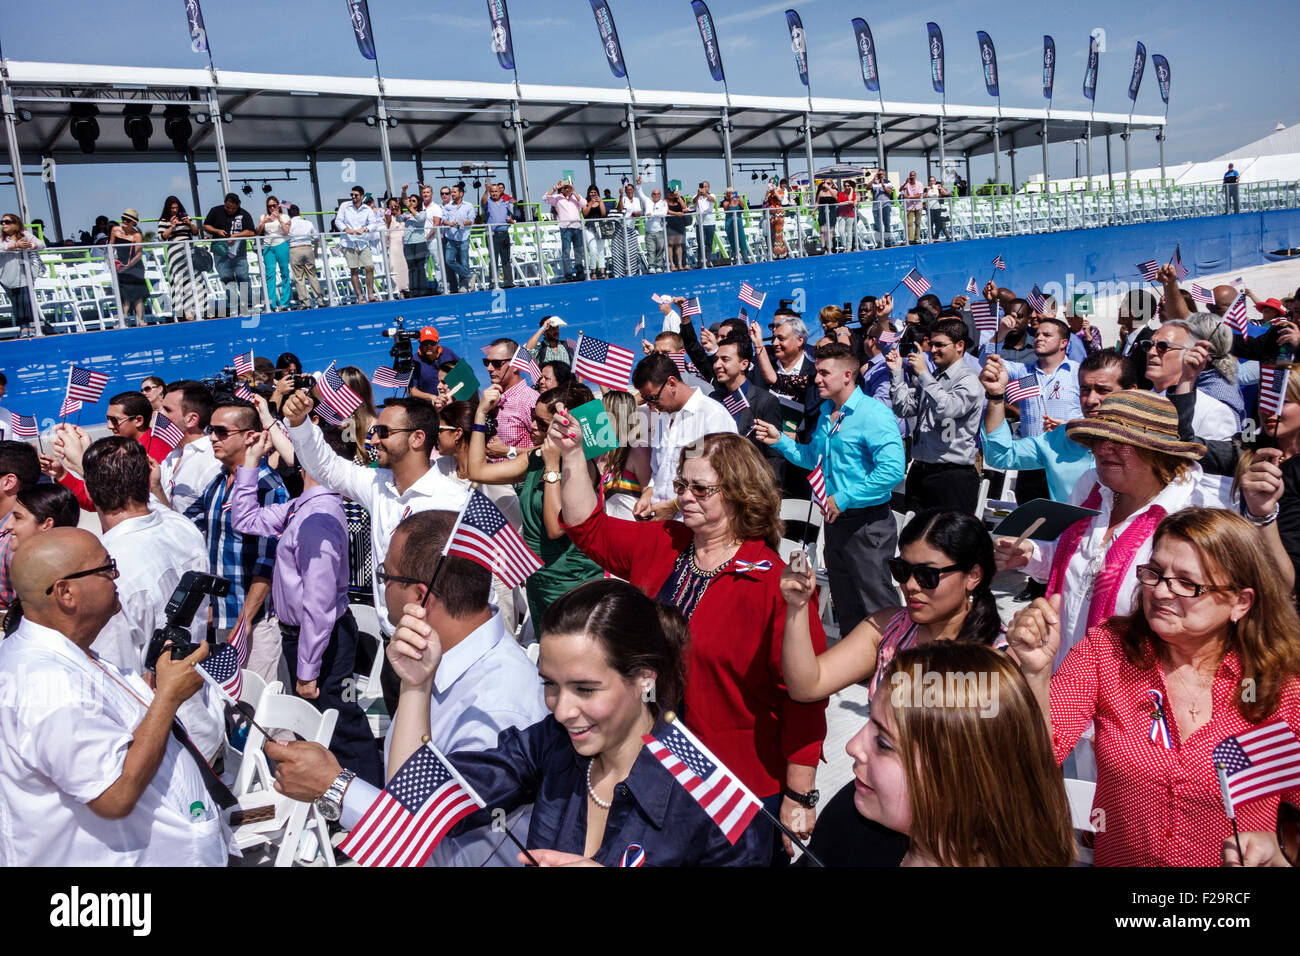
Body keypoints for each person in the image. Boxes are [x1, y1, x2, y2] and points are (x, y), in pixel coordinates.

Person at [270, 577, 769, 866]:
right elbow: (429, 802)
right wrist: (417, 687)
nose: (561, 708)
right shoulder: (549, 745)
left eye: (585, 689)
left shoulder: (715, 802)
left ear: (643, 680)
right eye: (550, 683)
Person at [554, 427, 826, 862]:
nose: (686, 497)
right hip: (649, 767)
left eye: (701, 488)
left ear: (739, 494)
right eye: (681, 485)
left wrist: (799, 794)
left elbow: (805, 698)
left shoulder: (776, 584)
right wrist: (570, 455)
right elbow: (590, 530)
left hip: (734, 787)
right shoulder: (665, 541)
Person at [1010, 507, 1300, 866]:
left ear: (1240, 602)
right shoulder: (1108, 648)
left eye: (1187, 583)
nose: (1162, 591)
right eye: (1155, 573)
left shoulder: (1283, 685)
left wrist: (1279, 847)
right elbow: (1034, 755)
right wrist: (1035, 674)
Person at [0, 528, 231, 866]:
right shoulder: (47, 685)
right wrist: (167, 698)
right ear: (66, 592)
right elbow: (114, 795)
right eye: (106, 569)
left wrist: (150, 691)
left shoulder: (60, 656)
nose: (117, 575)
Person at [825, 643, 1074, 866]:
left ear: (962, 776)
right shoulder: (853, 818)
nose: (852, 745)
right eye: (869, 721)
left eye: (884, 743)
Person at [229, 426, 382, 786]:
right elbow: (245, 520)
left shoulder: (319, 517)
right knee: (327, 723)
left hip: (320, 639)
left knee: (339, 724)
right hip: (308, 635)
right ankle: (344, 797)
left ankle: (369, 803)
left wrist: (308, 667)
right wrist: (250, 462)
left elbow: (320, 602)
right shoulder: (306, 506)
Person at [76, 438, 226, 760]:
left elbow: (113, 672)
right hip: (203, 717)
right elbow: (148, 504)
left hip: (157, 740)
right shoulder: (182, 527)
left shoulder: (108, 569)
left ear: (89, 493)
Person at [282, 390, 468, 640]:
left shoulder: (455, 501)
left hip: (439, 645)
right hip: (391, 641)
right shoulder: (377, 484)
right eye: (373, 432)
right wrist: (299, 423)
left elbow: (474, 588)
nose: (373, 441)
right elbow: (326, 466)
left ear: (417, 438)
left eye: (383, 432)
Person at [758, 342, 905, 632]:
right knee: (846, 603)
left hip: (868, 524)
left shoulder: (874, 414)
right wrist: (780, 441)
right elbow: (813, 458)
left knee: (877, 604)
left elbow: (892, 471)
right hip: (836, 522)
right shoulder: (827, 413)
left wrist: (844, 498)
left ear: (848, 375)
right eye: (816, 372)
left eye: (824, 373)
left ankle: (894, 667)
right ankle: (857, 668)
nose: (816, 379)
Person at [467, 384, 604, 628]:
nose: (532, 426)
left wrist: (552, 469)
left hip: (571, 584)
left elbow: (555, 528)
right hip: (538, 580)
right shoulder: (535, 458)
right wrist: (480, 415)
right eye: (532, 417)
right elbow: (476, 470)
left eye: (541, 423)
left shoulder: (582, 465)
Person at [188, 401, 289, 684]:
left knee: (265, 715)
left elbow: (268, 561)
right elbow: (184, 529)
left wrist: (244, 622)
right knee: (234, 711)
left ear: (250, 437)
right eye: (211, 430)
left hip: (254, 623)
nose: (211, 437)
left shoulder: (266, 486)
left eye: (221, 431)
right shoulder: (217, 483)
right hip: (223, 618)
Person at [982, 350, 1137, 503]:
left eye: (1103, 390)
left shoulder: (1148, 444)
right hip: (1070, 527)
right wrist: (995, 395)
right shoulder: (1058, 440)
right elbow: (1001, 455)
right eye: (1085, 390)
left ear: (1130, 392)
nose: (1091, 400)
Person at [888, 317, 983, 513]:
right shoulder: (935, 377)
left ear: (960, 346)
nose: (933, 350)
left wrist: (923, 374)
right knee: (914, 536)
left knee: (947, 540)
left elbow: (947, 409)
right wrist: (897, 373)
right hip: (921, 470)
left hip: (952, 475)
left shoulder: (969, 379)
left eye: (940, 345)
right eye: (931, 344)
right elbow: (903, 409)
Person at [630, 352, 737, 519]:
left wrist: (674, 506)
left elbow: (724, 478)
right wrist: (649, 492)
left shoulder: (713, 415)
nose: (650, 406)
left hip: (698, 526)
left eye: (653, 398)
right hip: (663, 523)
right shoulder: (663, 418)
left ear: (672, 383)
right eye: (646, 400)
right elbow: (659, 470)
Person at [1144, 320, 1238, 441]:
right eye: (1148, 345)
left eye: (1162, 346)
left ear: (1191, 353)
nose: (1151, 352)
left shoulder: (1212, 412)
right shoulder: (1137, 400)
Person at [708, 337, 785, 484]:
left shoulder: (765, 401)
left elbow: (775, 456)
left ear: (744, 364)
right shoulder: (713, 399)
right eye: (716, 359)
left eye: (725, 359)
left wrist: (770, 495)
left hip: (750, 488)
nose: (717, 365)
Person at [155, 380, 222, 517]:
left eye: (167, 410)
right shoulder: (171, 455)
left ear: (191, 419)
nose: (159, 414)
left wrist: (156, 488)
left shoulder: (213, 460)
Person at [481, 338, 540, 461]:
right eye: (487, 362)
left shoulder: (530, 400)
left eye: (496, 363)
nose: (489, 368)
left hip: (519, 478)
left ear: (516, 365)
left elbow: (550, 447)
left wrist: (509, 451)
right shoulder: (492, 398)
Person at [202, 192, 256, 316]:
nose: (229, 210)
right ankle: (233, 307)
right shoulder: (215, 211)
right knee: (227, 279)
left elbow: (251, 232)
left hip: (239, 253)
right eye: (227, 207)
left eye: (232, 208)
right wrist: (217, 231)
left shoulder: (244, 214)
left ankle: (247, 306)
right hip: (220, 253)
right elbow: (206, 226)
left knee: (243, 278)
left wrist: (235, 235)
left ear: (238, 205)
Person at [596, 389, 645, 521]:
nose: (597, 418)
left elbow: (651, 497)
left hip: (635, 534)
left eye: (602, 413)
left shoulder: (637, 450)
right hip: (609, 535)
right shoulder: (603, 454)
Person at [157, 196, 205, 321]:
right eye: (172, 208)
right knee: (179, 281)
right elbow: (162, 238)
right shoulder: (163, 220)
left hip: (190, 251)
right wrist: (171, 226)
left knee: (194, 279)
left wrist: (189, 223)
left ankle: (195, 309)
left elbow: (195, 232)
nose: (174, 210)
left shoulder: (185, 218)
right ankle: (181, 311)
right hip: (175, 253)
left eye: (176, 207)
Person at [0, 212, 47, 335]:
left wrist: (30, 245)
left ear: (16, 224)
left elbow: (42, 245)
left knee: (26, 300)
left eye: (7, 222)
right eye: (2, 222)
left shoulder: (25, 235)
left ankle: (32, 327)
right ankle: (23, 327)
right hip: (7, 275)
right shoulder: (1, 238)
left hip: (24, 274)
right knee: (16, 302)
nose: (3, 224)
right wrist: (15, 245)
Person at [334, 186, 380, 303]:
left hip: (362, 241)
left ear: (362, 196)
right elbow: (338, 220)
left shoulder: (367, 209)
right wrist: (346, 229)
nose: (353, 197)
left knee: (369, 267)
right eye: (352, 195)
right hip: (348, 242)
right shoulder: (345, 206)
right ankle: (359, 296)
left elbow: (373, 224)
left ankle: (370, 294)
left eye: (356, 195)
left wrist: (364, 229)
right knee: (354, 269)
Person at [109, 209, 148, 328]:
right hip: (120, 266)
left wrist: (127, 266)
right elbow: (111, 247)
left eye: (128, 220)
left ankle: (140, 320)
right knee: (123, 294)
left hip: (135, 267)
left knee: (138, 294)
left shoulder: (137, 236)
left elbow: (138, 255)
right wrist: (110, 262)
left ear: (133, 223)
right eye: (123, 219)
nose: (124, 222)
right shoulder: (115, 230)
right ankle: (123, 321)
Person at [543, 181, 586, 281]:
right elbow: (545, 198)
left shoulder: (576, 197)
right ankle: (568, 275)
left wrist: (574, 192)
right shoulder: (557, 198)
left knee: (579, 251)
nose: (567, 189)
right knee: (566, 252)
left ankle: (580, 273)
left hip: (577, 227)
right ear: (562, 189)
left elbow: (584, 203)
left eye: (569, 187)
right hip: (565, 228)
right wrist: (554, 188)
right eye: (565, 188)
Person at [256, 195, 292, 311]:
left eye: (274, 205)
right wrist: (262, 223)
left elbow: (286, 232)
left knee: (284, 273)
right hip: (268, 246)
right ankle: (271, 304)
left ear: (278, 205)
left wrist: (279, 219)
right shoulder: (263, 216)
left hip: (281, 244)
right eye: (269, 206)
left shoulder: (284, 216)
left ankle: (284, 303)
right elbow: (256, 232)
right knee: (269, 275)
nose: (272, 208)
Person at [285, 204, 325, 309]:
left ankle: (305, 302)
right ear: (299, 212)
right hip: (307, 247)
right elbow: (316, 237)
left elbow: (285, 238)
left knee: (299, 277)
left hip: (294, 249)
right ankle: (320, 299)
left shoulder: (288, 224)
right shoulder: (308, 223)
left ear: (289, 214)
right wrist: (315, 250)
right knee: (312, 275)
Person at [408, 325, 460, 404]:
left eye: (432, 343)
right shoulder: (414, 361)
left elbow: (464, 373)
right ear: (420, 342)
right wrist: (433, 397)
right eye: (425, 343)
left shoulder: (448, 352)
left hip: (452, 403)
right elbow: (411, 390)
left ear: (438, 342)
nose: (429, 346)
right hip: (428, 408)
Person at [481, 182, 517, 289]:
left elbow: (510, 219)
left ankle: (508, 282)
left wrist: (510, 220)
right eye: (492, 191)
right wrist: (486, 190)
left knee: (506, 259)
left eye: (496, 191)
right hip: (493, 235)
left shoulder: (504, 203)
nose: (494, 193)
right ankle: (493, 283)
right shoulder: (487, 202)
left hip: (504, 234)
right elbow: (482, 201)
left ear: (500, 192)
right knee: (493, 259)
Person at [399, 191, 429, 297]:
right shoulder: (406, 214)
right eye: (410, 200)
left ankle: (422, 290)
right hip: (408, 243)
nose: (411, 202)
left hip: (420, 242)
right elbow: (398, 218)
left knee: (420, 266)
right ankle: (413, 290)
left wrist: (410, 208)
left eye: (413, 201)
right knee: (411, 267)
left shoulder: (422, 212)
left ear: (418, 203)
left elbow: (421, 219)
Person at [636, 177, 668, 272]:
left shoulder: (663, 203)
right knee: (651, 249)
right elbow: (640, 193)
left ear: (660, 195)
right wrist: (639, 185)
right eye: (654, 194)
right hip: (649, 230)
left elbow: (664, 213)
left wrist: (652, 214)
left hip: (660, 230)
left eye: (658, 194)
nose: (656, 195)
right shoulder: (648, 201)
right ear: (651, 195)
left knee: (660, 248)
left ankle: (659, 265)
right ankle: (651, 266)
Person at [581, 186, 609, 280]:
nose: (593, 194)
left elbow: (604, 214)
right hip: (589, 228)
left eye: (595, 192)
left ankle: (602, 272)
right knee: (593, 250)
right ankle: (593, 271)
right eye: (591, 192)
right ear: (588, 193)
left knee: (601, 251)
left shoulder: (600, 202)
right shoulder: (585, 202)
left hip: (600, 228)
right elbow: (585, 214)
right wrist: (590, 203)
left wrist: (600, 202)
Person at [721, 187, 750, 264]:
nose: (731, 194)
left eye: (732, 193)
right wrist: (731, 200)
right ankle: (734, 259)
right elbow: (726, 209)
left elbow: (743, 207)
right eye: (729, 193)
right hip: (729, 222)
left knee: (742, 239)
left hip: (739, 221)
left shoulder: (738, 201)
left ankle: (745, 258)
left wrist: (739, 199)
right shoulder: (725, 202)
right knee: (732, 241)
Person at [691, 182, 716, 268]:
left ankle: (708, 260)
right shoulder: (696, 196)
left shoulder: (712, 195)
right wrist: (699, 194)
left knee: (709, 243)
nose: (704, 188)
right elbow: (694, 202)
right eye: (702, 187)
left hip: (710, 223)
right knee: (700, 243)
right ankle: (700, 261)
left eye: (705, 187)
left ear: (708, 188)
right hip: (700, 223)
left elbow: (713, 200)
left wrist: (705, 194)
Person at [665, 188, 689, 271]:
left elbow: (685, 207)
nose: (671, 194)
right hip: (670, 224)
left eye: (672, 193)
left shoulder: (679, 199)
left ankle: (680, 264)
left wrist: (678, 197)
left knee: (679, 244)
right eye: (670, 193)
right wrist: (677, 213)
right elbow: (666, 210)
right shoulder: (665, 201)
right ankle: (672, 264)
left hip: (679, 224)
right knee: (671, 245)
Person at [870, 170, 895, 248]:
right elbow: (867, 187)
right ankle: (879, 243)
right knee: (877, 225)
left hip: (885, 205)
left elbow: (890, 192)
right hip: (876, 206)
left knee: (886, 224)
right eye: (879, 174)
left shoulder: (888, 182)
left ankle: (887, 242)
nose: (880, 175)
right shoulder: (874, 183)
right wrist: (873, 179)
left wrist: (883, 184)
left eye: (881, 174)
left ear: (884, 174)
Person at [763, 184, 788, 260]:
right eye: (770, 184)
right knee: (773, 233)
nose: (771, 185)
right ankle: (783, 251)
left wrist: (775, 191)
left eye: (772, 183)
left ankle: (777, 252)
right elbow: (765, 201)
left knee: (778, 232)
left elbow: (780, 199)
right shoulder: (769, 192)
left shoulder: (780, 190)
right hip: (771, 214)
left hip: (779, 213)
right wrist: (767, 193)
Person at [923, 176, 951, 241]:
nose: (932, 182)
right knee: (931, 224)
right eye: (930, 181)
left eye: (933, 181)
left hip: (937, 208)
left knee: (938, 224)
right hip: (929, 208)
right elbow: (924, 197)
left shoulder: (937, 188)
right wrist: (927, 191)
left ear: (935, 181)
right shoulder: (927, 188)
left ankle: (936, 237)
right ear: (929, 182)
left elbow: (946, 194)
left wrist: (941, 188)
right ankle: (932, 237)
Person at [901, 171, 924, 244]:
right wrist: (905, 183)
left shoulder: (920, 184)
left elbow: (919, 196)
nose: (912, 177)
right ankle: (910, 239)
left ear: (916, 176)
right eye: (911, 175)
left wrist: (909, 197)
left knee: (917, 223)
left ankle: (916, 238)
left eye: (913, 175)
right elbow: (900, 189)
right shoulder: (907, 184)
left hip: (918, 206)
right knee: (909, 223)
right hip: (909, 206)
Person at [816, 180, 838, 252]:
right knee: (822, 230)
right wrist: (813, 211)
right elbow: (817, 202)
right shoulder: (821, 192)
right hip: (822, 212)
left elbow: (835, 197)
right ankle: (823, 246)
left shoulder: (834, 191)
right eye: (825, 183)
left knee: (831, 230)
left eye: (828, 183)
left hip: (831, 212)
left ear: (831, 184)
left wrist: (828, 188)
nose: (825, 184)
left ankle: (832, 245)